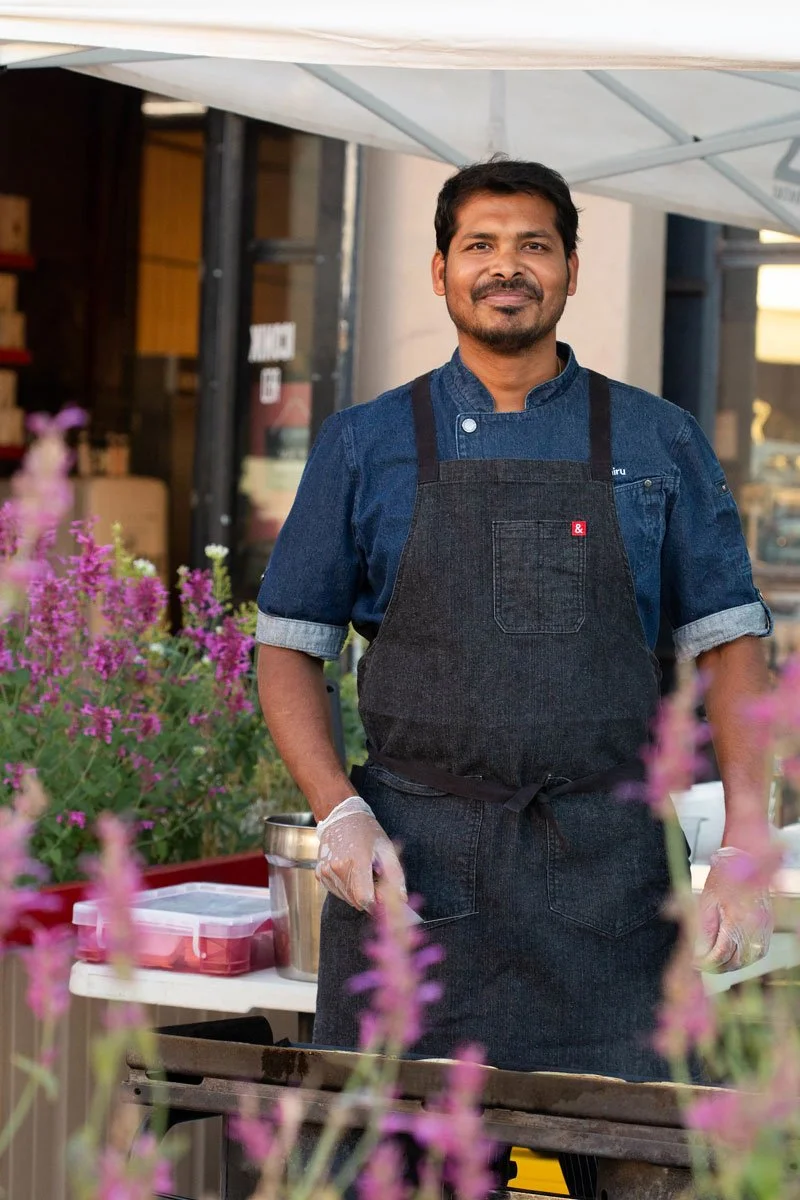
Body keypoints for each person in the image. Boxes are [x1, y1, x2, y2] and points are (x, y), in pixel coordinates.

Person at [256, 158, 773, 1194]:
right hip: (416, 880)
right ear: (438, 269)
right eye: (480, 246)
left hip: (612, 886)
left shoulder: (656, 439)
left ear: (571, 270)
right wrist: (339, 810)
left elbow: (730, 647)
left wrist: (748, 841)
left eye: (533, 245)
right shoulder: (364, 445)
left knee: (647, 1168)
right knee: (394, 1173)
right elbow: (286, 646)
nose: (507, 268)